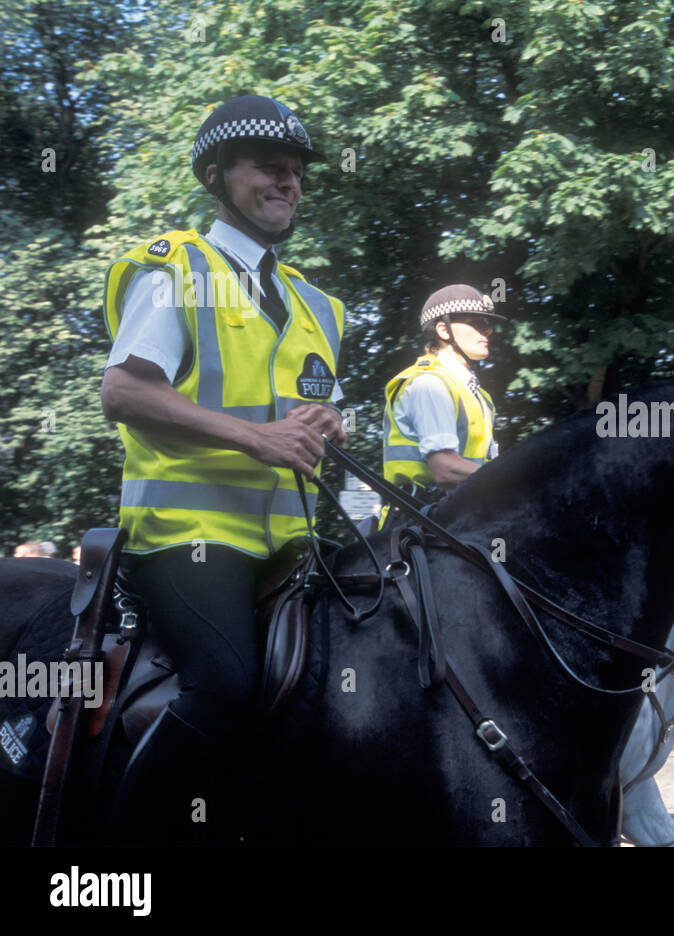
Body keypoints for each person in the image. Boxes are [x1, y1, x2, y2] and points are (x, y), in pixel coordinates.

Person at [100, 95, 347, 841]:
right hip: (189, 535)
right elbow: (124, 391)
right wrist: (258, 439)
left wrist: (326, 425)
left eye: (298, 173)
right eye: (270, 169)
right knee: (225, 689)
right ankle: (119, 864)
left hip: (292, 544)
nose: (290, 184)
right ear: (218, 174)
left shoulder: (318, 304)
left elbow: (311, 417)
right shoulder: (176, 268)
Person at [381, 284, 505, 519]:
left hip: (459, 520)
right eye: (478, 323)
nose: (488, 331)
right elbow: (445, 469)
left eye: (488, 325)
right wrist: (513, 480)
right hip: (418, 526)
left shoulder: (479, 396)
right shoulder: (429, 384)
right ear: (444, 330)